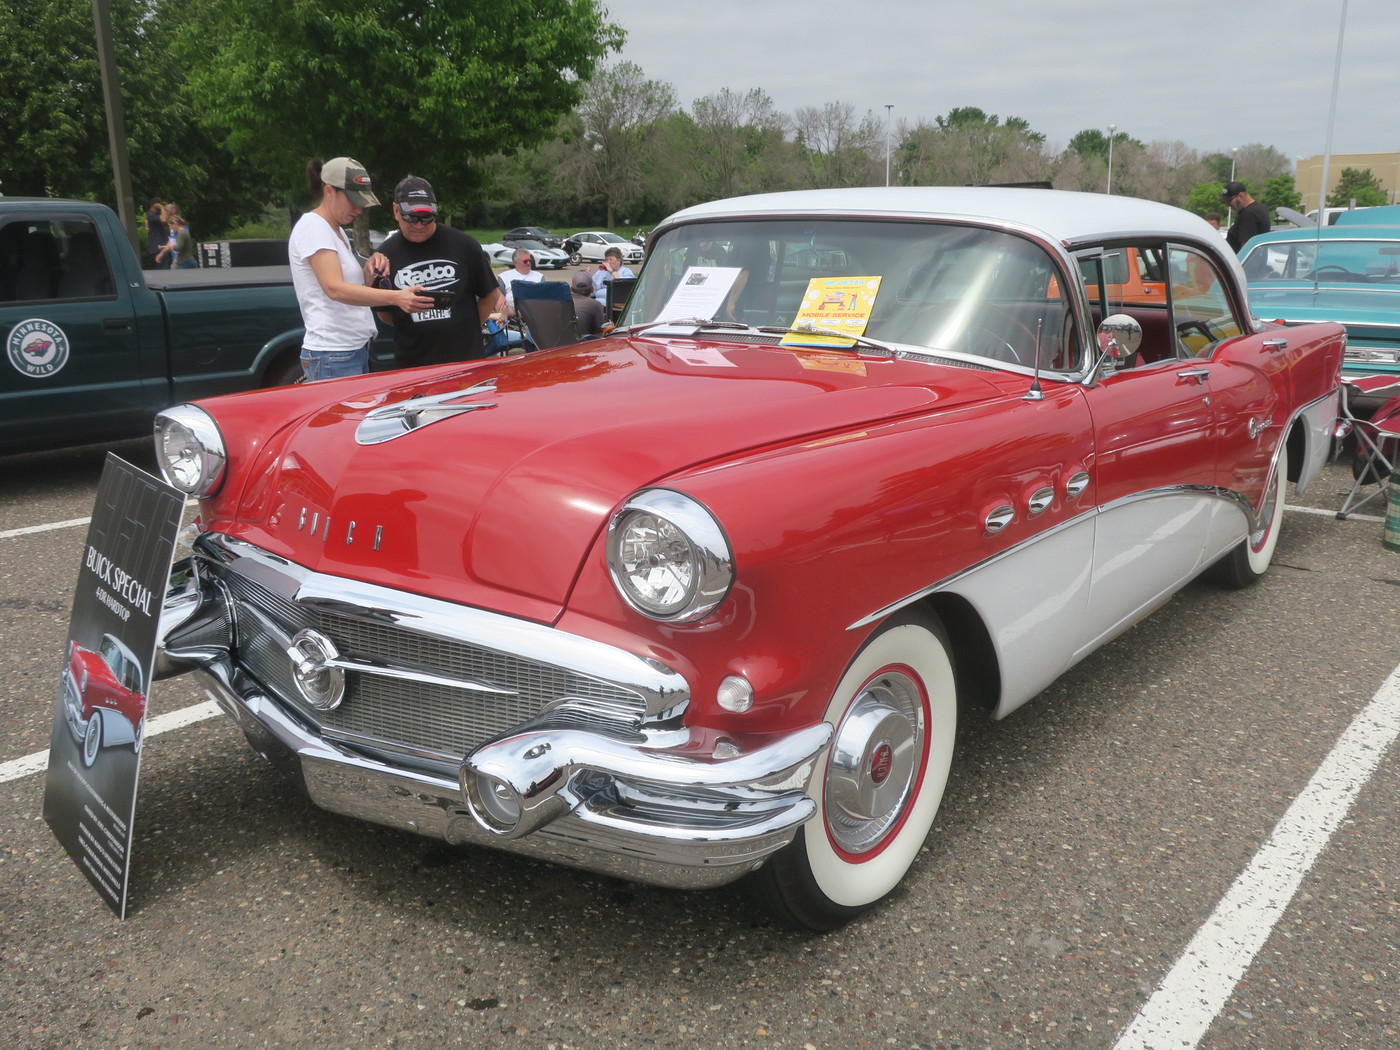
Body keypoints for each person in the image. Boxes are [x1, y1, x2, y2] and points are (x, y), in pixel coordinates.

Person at [288, 156, 432, 381]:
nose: (359, 209)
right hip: (333, 354)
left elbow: (351, 286)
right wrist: (397, 297)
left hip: (348, 351)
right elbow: (334, 288)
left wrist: (370, 267)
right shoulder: (314, 227)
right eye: (353, 200)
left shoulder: (335, 230)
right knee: (345, 417)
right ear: (329, 191)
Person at [365, 175, 502, 367]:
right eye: (411, 218)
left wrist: (466, 329)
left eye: (426, 218)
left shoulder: (464, 245)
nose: (419, 225)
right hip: (413, 363)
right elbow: (383, 313)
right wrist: (413, 327)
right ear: (396, 211)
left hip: (465, 360)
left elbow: (491, 294)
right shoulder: (385, 255)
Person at [1222, 181, 1271, 253]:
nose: (1228, 204)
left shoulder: (1249, 214)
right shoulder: (1259, 209)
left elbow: (1246, 247)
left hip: (1245, 263)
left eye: (1229, 200)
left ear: (1241, 195)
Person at [497, 247, 544, 314]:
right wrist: (500, 296)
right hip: (512, 309)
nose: (528, 263)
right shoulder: (504, 276)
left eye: (530, 261)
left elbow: (543, 295)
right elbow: (498, 292)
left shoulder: (539, 277)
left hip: (533, 310)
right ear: (516, 263)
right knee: (501, 307)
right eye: (525, 261)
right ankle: (501, 324)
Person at [570, 269, 605, 336]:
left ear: (571, 288)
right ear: (592, 289)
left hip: (559, 345)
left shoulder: (561, 304)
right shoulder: (595, 305)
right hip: (583, 344)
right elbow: (600, 333)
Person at [145, 198, 167, 268]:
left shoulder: (158, 214)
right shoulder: (150, 214)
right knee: (163, 268)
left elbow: (167, 218)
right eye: (160, 204)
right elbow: (164, 219)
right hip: (157, 246)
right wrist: (161, 207)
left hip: (163, 245)